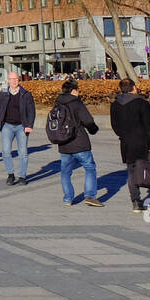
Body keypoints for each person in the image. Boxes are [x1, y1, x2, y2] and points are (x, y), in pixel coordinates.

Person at [110, 78, 150, 214]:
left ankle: (136, 202)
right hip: (144, 142)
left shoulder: (115, 104)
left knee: (132, 172)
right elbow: (149, 126)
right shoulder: (142, 103)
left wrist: (123, 136)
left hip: (126, 143)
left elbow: (114, 125)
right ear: (133, 88)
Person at [49, 78, 102, 206]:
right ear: (73, 91)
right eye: (78, 90)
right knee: (90, 168)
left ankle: (68, 199)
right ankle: (89, 195)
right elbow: (88, 121)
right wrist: (94, 130)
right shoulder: (77, 103)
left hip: (64, 144)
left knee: (66, 172)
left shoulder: (57, 104)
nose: (79, 93)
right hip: (80, 143)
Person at [0, 71, 35, 185]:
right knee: (6, 152)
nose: (14, 81)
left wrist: (29, 125)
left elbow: (31, 111)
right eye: (11, 79)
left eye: (16, 79)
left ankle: (22, 176)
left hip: (22, 126)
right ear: (8, 80)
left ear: (19, 80)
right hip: (7, 126)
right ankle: (10, 175)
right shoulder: (3, 94)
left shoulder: (26, 94)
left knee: (23, 153)